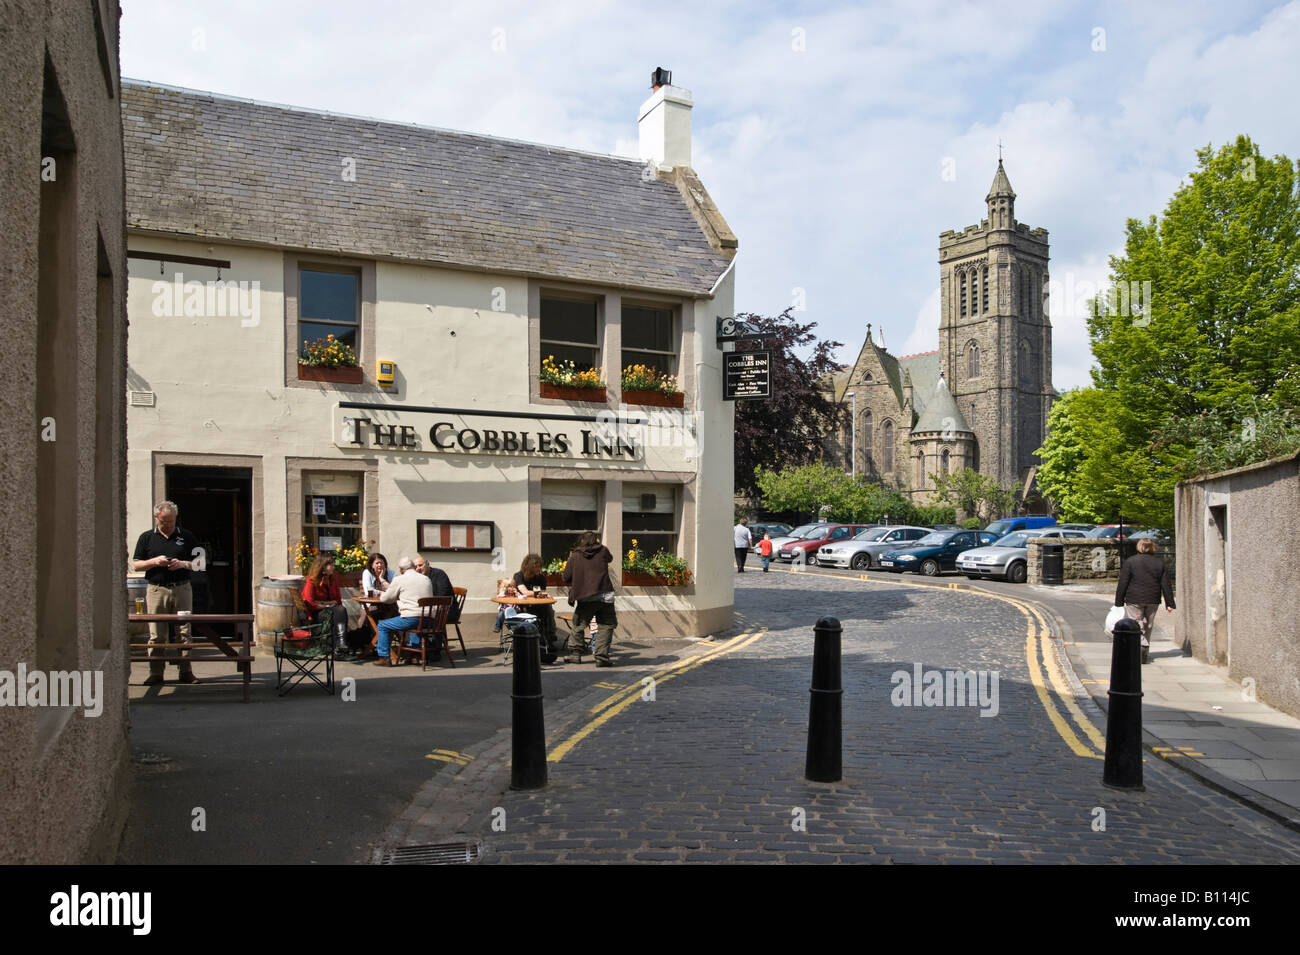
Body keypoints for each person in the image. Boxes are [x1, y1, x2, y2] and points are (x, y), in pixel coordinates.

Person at [132, 500, 201, 685]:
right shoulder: (146, 537)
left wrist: (183, 564)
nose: (168, 525)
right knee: (157, 634)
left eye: (171, 521)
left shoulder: (187, 536)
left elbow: (201, 563)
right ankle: (156, 673)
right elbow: (136, 564)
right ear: (156, 518)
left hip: (182, 588)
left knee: (184, 632)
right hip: (156, 589)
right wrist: (154, 561)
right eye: (164, 521)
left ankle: (186, 671)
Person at [1114, 537, 1176, 664]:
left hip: (1134, 598)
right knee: (1148, 625)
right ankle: (1144, 651)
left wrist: (1119, 601)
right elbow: (1166, 584)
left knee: (1136, 624)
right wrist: (1169, 603)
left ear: (1139, 547)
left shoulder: (1130, 561)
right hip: (1152, 599)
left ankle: (1140, 647)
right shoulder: (1159, 563)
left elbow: (1123, 582)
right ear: (1152, 547)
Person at [563, 532, 616, 666]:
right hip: (605, 595)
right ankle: (601, 657)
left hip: (585, 596)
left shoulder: (575, 556)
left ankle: (575, 655)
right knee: (606, 626)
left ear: (581, 541)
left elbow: (566, 577)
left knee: (579, 625)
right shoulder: (603, 551)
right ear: (596, 541)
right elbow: (610, 558)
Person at [373, 557, 434, 665]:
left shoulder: (399, 579)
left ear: (401, 570)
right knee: (415, 625)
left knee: (383, 625)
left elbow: (386, 599)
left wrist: (384, 595)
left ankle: (384, 657)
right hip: (430, 619)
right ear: (413, 567)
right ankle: (414, 655)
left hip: (412, 618)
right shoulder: (426, 579)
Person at [514, 552, 558, 651]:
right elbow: (524, 591)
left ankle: (549, 637)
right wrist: (538, 593)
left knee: (548, 609)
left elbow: (542, 592)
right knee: (538, 612)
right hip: (523, 606)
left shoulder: (541, 578)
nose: (538, 569)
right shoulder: (519, 576)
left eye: (539, 566)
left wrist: (544, 595)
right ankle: (537, 639)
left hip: (538, 605)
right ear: (528, 566)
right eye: (536, 566)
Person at [302, 555, 344, 651]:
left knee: (340, 611)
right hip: (316, 613)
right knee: (339, 612)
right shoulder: (312, 581)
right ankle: (339, 645)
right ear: (323, 567)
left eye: (334, 565)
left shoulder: (333, 580)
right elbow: (310, 603)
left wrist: (323, 602)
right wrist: (328, 604)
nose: (333, 567)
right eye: (331, 565)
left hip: (331, 610)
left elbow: (338, 600)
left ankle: (340, 645)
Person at [414, 555, 460, 624]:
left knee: (417, 621)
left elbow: (442, 596)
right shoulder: (417, 578)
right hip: (429, 610)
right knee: (411, 618)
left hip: (447, 611)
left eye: (420, 565)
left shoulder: (439, 574)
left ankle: (433, 634)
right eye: (415, 567)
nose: (418, 569)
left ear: (428, 564)